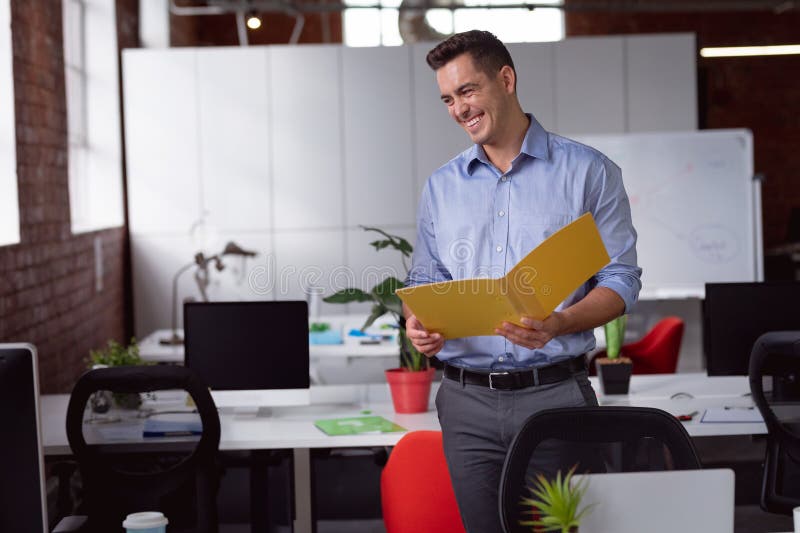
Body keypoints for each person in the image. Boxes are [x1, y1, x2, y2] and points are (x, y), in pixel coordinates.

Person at [403, 30, 642, 532]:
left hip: (554, 396)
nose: (458, 109)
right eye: (448, 98)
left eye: (467, 91)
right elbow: (426, 278)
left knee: (565, 531)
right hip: (466, 405)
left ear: (506, 79)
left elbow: (620, 280)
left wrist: (559, 322)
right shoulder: (441, 188)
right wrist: (417, 324)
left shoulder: (588, 173)